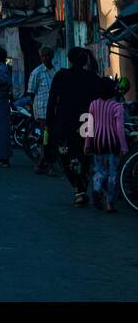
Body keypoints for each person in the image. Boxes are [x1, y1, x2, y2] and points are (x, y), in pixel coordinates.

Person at [46, 47, 107, 207]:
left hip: (65, 123)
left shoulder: (61, 75)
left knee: (66, 157)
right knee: (84, 156)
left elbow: (52, 100)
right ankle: (83, 186)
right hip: (86, 122)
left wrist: (49, 121)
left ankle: (79, 190)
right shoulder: (93, 78)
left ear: (70, 60)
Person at [85, 77, 128, 213]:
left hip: (97, 143)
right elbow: (120, 129)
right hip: (112, 144)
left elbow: (89, 126)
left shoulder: (93, 104)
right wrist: (123, 146)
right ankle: (110, 203)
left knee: (99, 170)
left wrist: (87, 144)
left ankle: (97, 189)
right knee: (112, 174)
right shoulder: (117, 107)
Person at [26, 46, 57, 175]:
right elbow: (31, 93)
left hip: (54, 109)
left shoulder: (56, 71)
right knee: (47, 136)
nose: (46, 58)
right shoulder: (36, 72)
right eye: (43, 56)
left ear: (51, 56)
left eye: (48, 55)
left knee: (50, 137)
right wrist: (34, 111)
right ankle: (47, 164)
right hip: (42, 110)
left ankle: (42, 162)